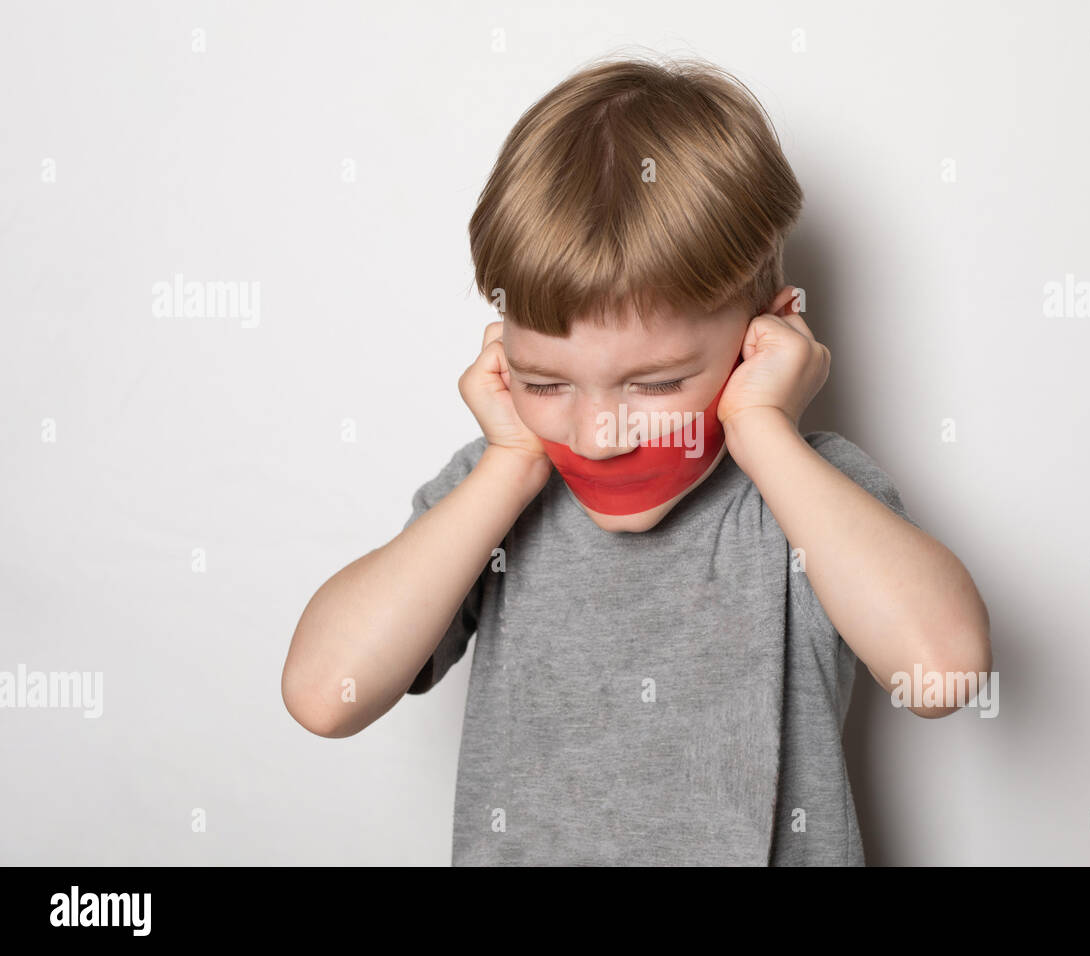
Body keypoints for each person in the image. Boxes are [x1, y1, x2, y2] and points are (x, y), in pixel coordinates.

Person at [281, 53, 991, 865]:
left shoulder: (806, 494)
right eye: (546, 381)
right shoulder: (494, 489)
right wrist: (508, 468)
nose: (595, 433)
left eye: (653, 384)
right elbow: (321, 697)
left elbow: (943, 672)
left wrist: (763, 429)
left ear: (767, 336)